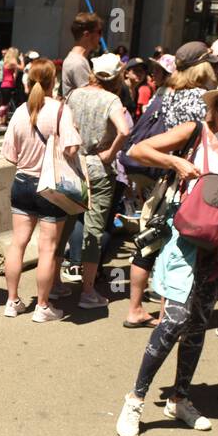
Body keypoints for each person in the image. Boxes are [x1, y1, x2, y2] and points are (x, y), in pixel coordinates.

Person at [116, 72, 218, 436]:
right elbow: (136, 150)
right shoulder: (195, 131)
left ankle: (180, 398)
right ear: (213, 108)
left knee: (197, 326)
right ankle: (134, 401)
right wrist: (176, 164)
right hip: (183, 244)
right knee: (172, 324)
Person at [123, 42, 215, 328]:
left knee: (151, 241)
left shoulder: (167, 92)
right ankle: (168, 317)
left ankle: (135, 307)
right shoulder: (204, 98)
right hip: (189, 177)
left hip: (162, 176)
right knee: (176, 249)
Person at [1, 58, 82, 320]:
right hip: (49, 188)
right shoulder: (60, 110)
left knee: (18, 244)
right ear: (53, 80)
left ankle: (12, 302)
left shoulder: (20, 111)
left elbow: (10, 156)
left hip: (22, 182)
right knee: (47, 248)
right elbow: (71, 149)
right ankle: (43, 306)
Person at [66, 54, 132, 310]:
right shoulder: (111, 99)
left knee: (66, 223)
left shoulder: (74, 95)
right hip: (98, 167)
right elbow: (124, 131)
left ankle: (57, 285)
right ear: (116, 76)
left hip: (73, 166)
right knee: (94, 229)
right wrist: (110, 152)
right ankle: (88, 290)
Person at [61, 13, 103, 95]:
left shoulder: (78, 60)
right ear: (87, 34)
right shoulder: (78, 63)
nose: (101, 37)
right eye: (99, 32)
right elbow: (88, 98)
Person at [0, 47, 20, 124]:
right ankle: (1, 121)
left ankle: (2, 120)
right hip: (9, 84)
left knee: (4, 103)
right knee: (5, 104)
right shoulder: (13, 62)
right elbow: (22, 67)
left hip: (4, 84)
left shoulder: (5, 62)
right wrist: (22, 60)